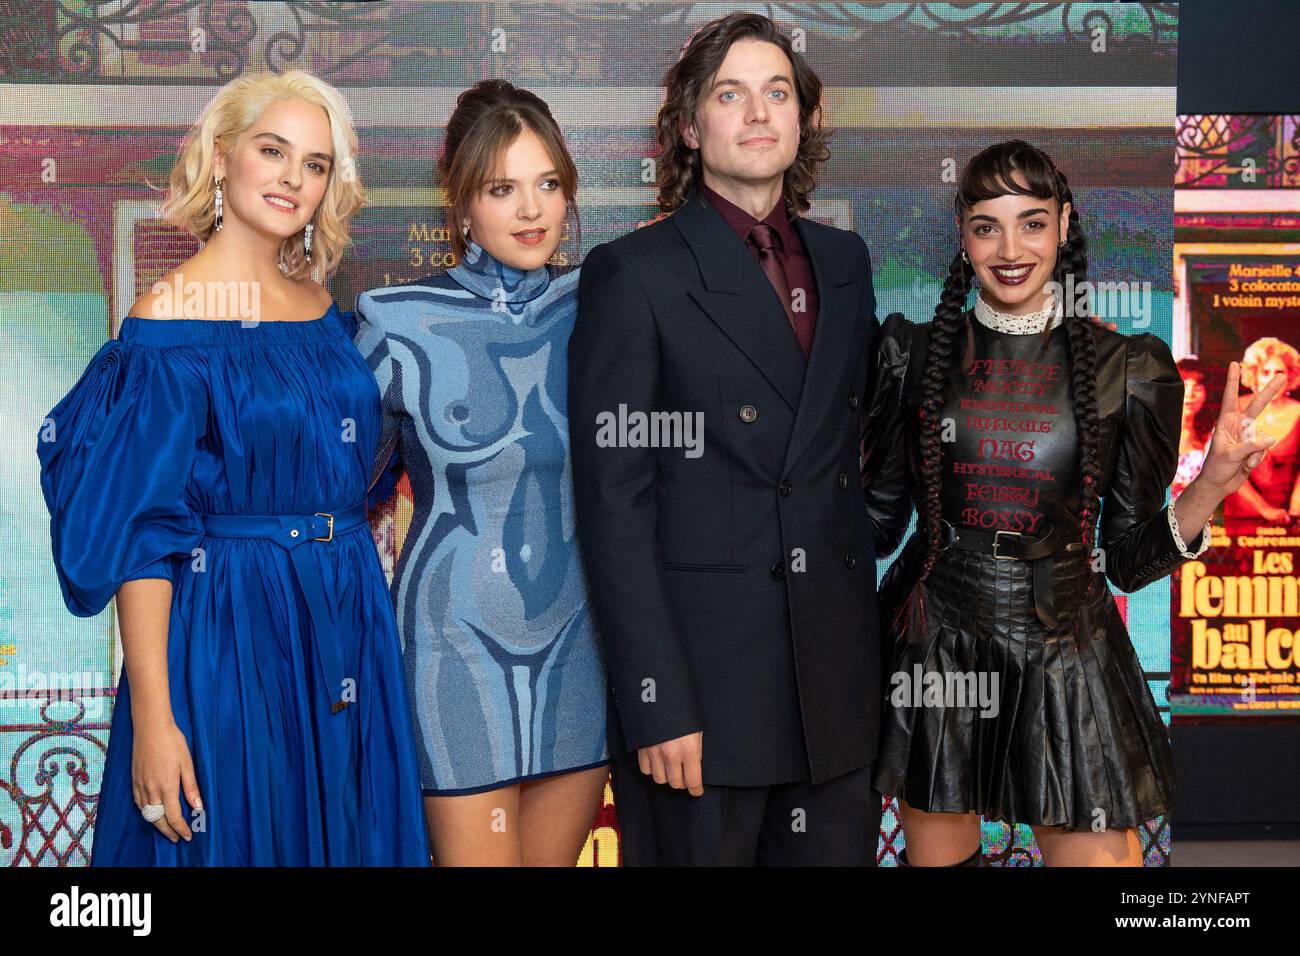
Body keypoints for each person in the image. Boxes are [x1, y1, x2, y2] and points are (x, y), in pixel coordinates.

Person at [37, 70, 430, 865]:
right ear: (221, 160)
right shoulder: (164, 322)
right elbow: (143, 535)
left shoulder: (323, 306)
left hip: (347, 615)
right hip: (230, 626)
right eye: (273, 150)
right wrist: (154, 714)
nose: (293, 177)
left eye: (315, 163)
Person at [863, 140, 1282, 866]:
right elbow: (878, 525)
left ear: (1064, 224)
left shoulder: (1128, 369)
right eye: (986, 226)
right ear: (963, 235)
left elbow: (1124, 559)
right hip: (938, 642)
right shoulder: (911, 355)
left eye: (1031, 222)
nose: (1010, 247)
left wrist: (1211, 481)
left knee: (1101, 858)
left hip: (1066, 644)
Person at [568, 12, 884, 866]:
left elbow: (847, 477)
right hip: (703, 706)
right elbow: (613, 508)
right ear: (687, 126)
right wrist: (657, 699)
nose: (757, 112)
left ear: (804, 118)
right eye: (730, 94)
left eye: (777, 92)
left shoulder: (846, 263)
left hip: (835, 700)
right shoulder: (634, 274)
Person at [353, 80, 608, 867]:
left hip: (582, 648)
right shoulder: (392, 321)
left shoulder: (604, 303)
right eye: (502, 188)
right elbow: (334, 494)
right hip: (449, 649)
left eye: (547, 183)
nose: (531, 209)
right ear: (462, 203)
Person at [1223, 337, 1300, 524]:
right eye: (1266, 372)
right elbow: (1227, 468)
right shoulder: (1236, 408)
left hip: (1287, 516)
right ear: (1255, 375)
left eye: (1279, 372)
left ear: (1290, 375)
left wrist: (1296, 509)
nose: (1273, 379)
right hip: (1240, 514)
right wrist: (1265, 510)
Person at [1174, 357, 1214, 500]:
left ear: (1206, 394)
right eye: (1184, 386)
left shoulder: (1211, 435)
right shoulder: (1153, 430)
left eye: (1197, 388)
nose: (1190, 395)